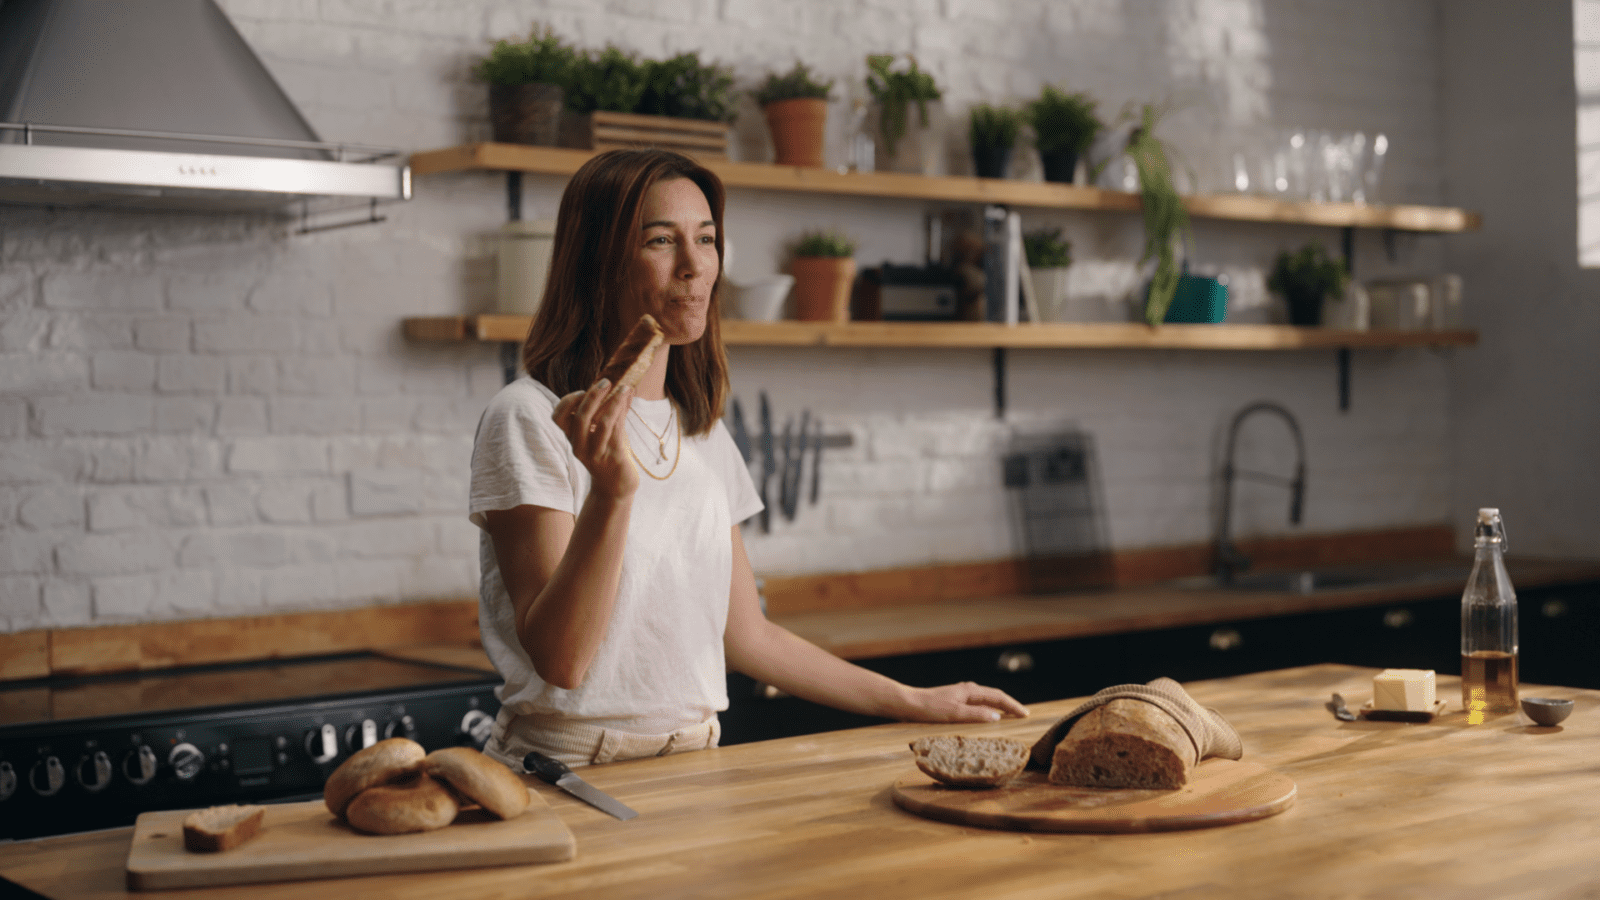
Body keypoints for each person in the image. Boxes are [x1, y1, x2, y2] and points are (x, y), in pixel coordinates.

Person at [469, 148, 1028, 768]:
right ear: (598, 263)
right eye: (661, 240)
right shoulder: (530, 418)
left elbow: (749, 636)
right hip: (570, 766)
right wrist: (612, 493)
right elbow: (562, 660)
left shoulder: (701, 431)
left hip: (697, 759)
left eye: (706, 239)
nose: (695, 266)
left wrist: (916, 700)